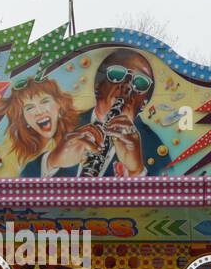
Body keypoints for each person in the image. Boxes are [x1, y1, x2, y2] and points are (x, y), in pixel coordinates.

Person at [32, 49, 159, 177]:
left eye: (140, 83)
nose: (127, 86)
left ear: (144, 103)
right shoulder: (62, 126)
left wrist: (137, 172)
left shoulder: (155, 146)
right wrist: (50, 162)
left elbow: (169, 192)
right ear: (97, 85)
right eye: (117, 74)